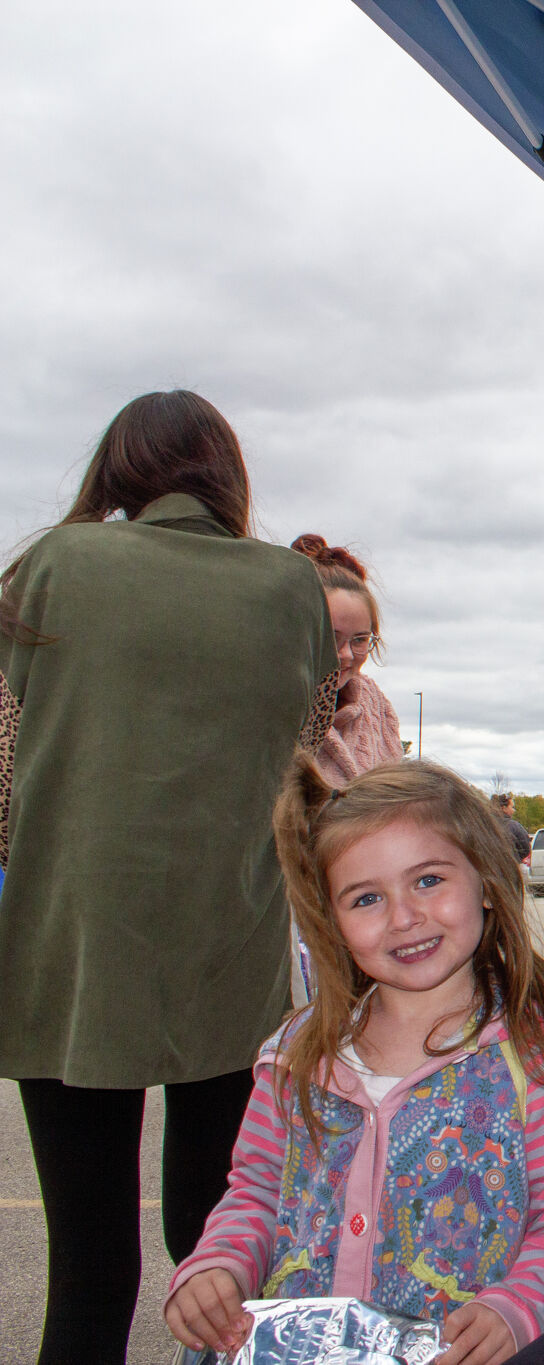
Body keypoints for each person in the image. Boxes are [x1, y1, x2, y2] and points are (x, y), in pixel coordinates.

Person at [0, 390, 336, 1364]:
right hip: (227, 947)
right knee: (218, 1244)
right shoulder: (291, 587)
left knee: (91, 1263)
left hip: (74, 949)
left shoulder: (54, 567)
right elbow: (298, 752)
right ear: (225, 474)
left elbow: (2, 764)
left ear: (119, 468)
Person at [164, 759, 544, 1363]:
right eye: (367, 898)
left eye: (428, 880)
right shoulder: (297, 1053)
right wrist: (216, 1267)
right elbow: (255, 1193)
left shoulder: (533, 1054)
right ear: (331, 920)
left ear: (485, 879)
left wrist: (517, 1309)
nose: (404, 917)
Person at [290, 535, 404, 786]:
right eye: (332, 637)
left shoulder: (377, 707)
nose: (346, 655)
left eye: (360, 640)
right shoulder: (269, 699)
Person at [494, 791, 533, 863]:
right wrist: (515, 859)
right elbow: (526, 848)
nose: (514, 810)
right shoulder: (514, 826)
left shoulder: (484, 825)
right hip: (510, 867)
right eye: (512, 807)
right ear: (504, 808)